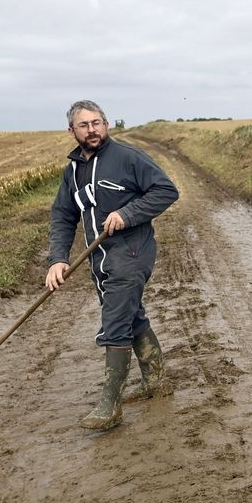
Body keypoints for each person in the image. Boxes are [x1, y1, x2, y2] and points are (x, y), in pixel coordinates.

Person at [45, 100, 180, 429]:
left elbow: (166, 190)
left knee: (115, 323)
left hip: (131, 254)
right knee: (132, 316)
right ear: (71, 131)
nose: (92, 130)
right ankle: (157, 381)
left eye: (97, 122)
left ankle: (110, 405)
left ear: (106, 124)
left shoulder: (127, 158)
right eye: (84, 125)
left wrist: (127, 214)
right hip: (99, 260)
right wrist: (58, 259)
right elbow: (63, 216)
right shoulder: (73, 172)